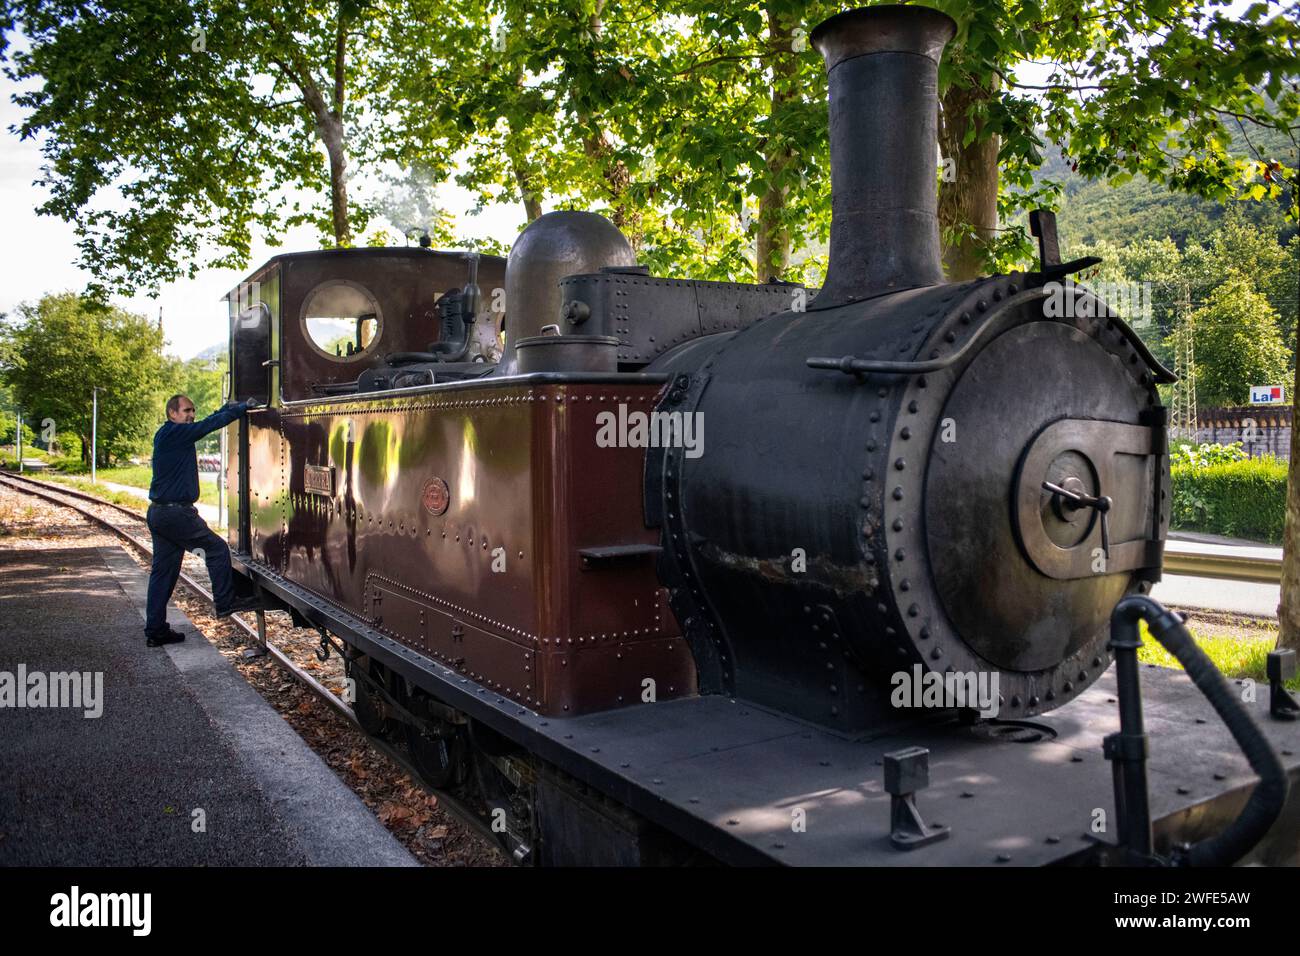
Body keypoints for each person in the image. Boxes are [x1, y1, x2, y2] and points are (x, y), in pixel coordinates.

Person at [143, 393, 264, 647]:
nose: (191, 415)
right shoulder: (174, 434)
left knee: (163, 573)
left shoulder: (172, 435)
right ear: (172, 414)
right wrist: (241, 408)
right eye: (186, 411)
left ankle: (155, 630)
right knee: (217, 549)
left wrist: (225, 408)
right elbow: (208, 426)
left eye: (192, 411)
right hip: (176, 514)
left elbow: (205, 422)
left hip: (161, 513)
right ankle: (225, 602)